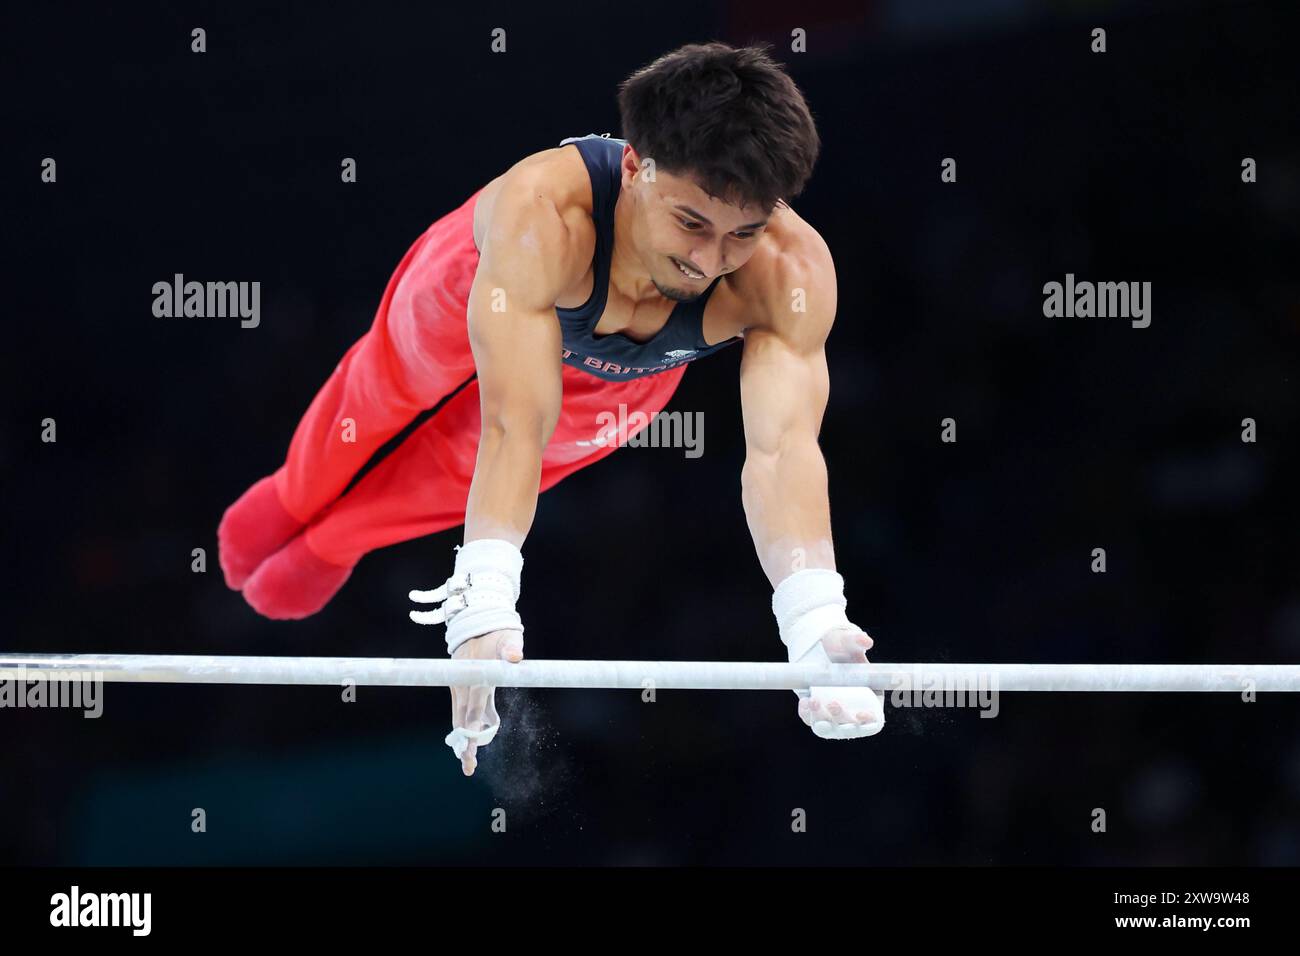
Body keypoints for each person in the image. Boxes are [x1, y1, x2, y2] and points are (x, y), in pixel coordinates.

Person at [218, 41, 884, 775]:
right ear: (635, 166)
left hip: (622, 373)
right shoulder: (546, 212)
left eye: (743, 233)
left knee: (451, 470)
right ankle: (292, 494)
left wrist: (814, 616)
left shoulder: (788, 273)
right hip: (479, 286)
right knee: (380, 395)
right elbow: (515, 420)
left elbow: (784, 450)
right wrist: (484, 605)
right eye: (691, 222)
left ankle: (332, 542)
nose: (710, 259)